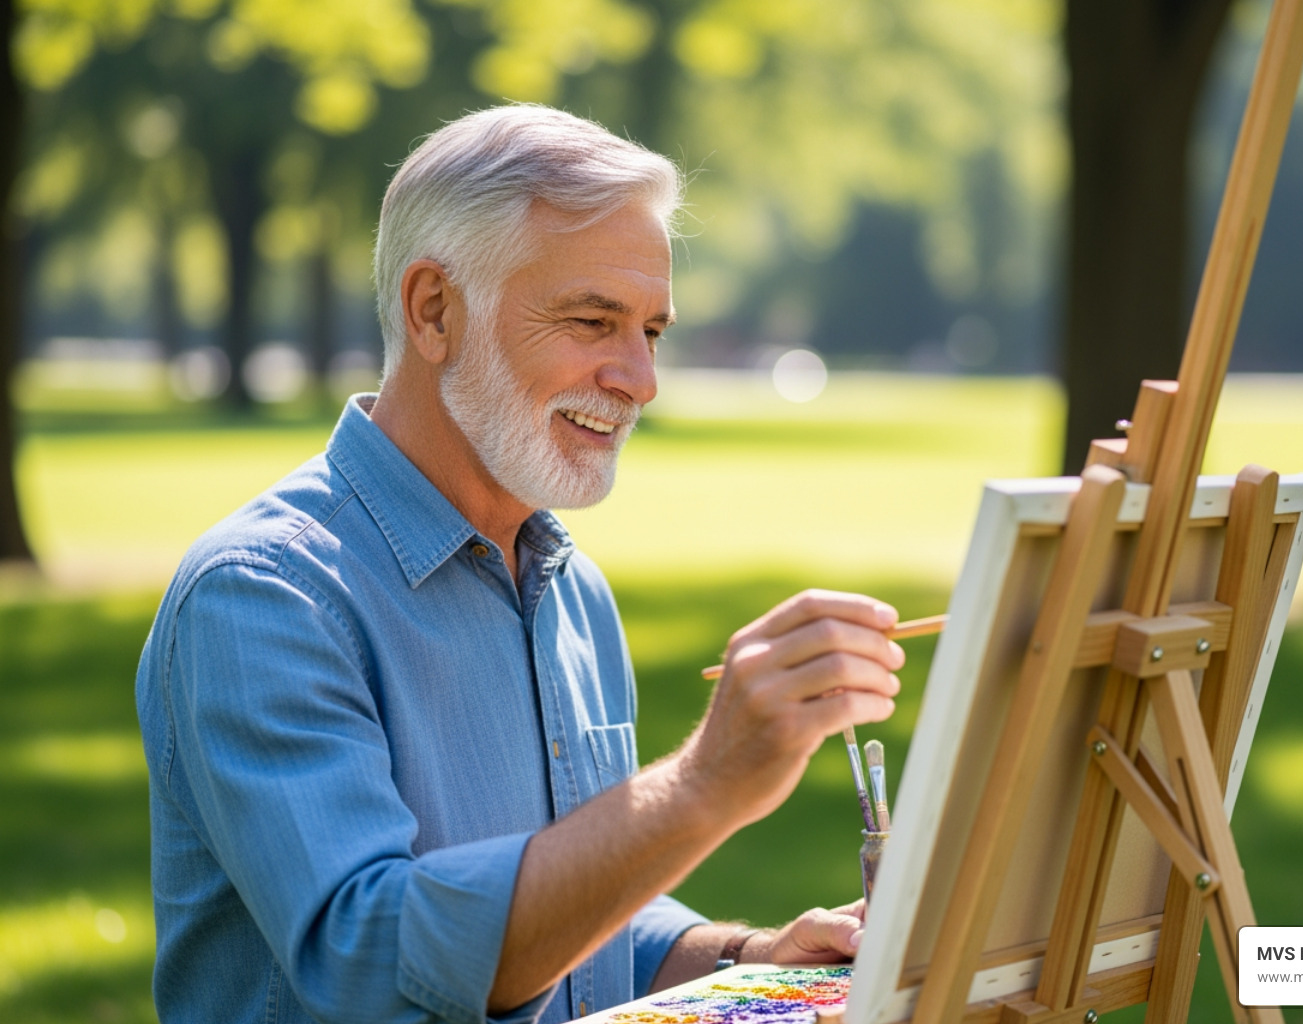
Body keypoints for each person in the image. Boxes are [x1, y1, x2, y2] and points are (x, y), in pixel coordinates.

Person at [135, 103, 906, 1024]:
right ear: (434, 311)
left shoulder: (569, 589)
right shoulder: (265, 596)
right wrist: (702, 785)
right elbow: (374, 963)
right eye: (592, 320)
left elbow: (582, 923)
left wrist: (746, 955)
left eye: (652, 331)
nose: (640, 378)